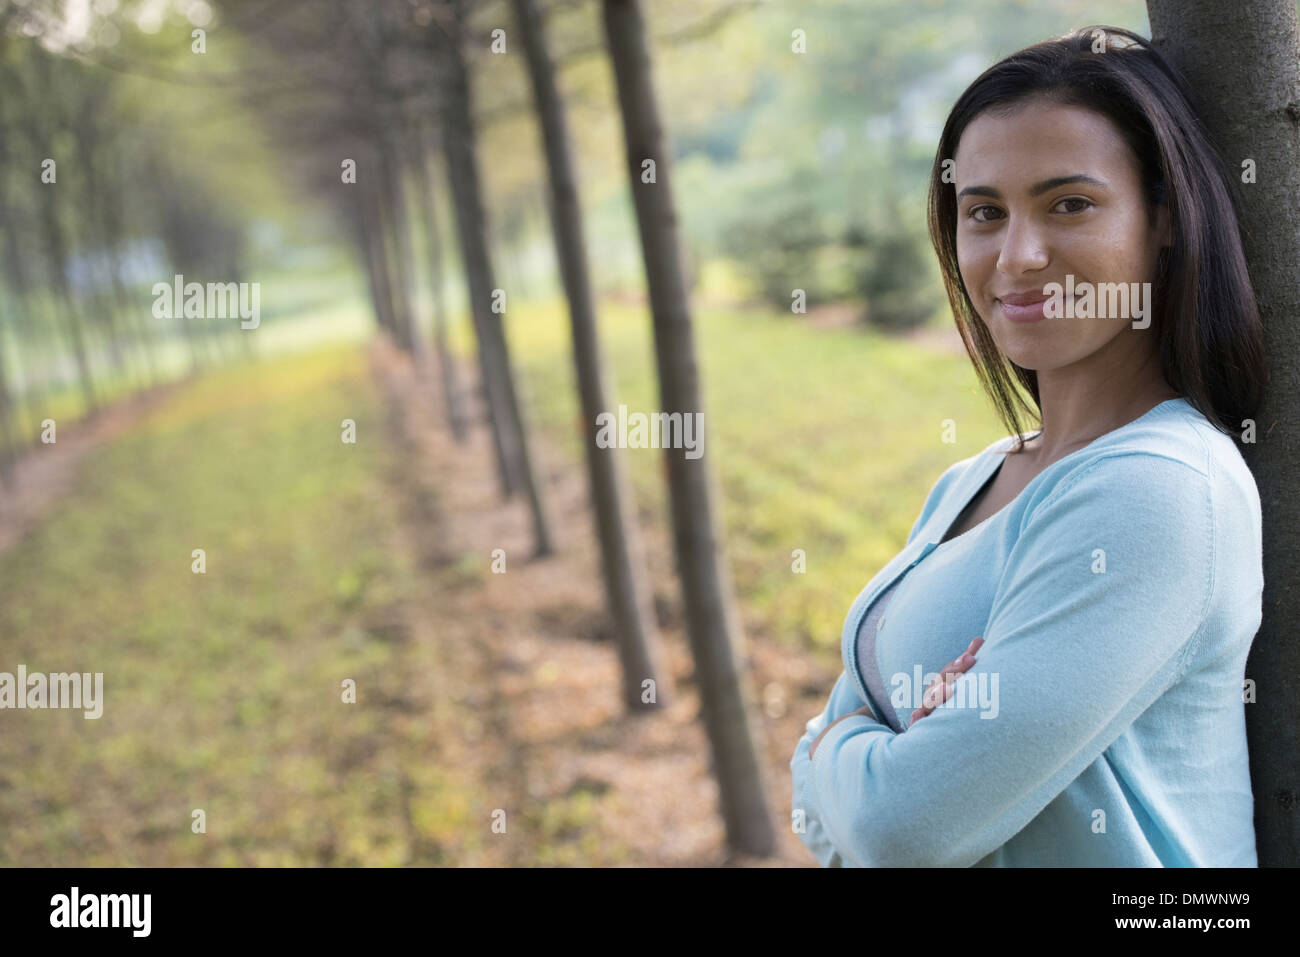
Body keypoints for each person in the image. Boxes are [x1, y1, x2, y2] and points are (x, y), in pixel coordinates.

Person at [790, 25, 1266, 867]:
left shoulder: (1158, 489)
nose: (1019, 256)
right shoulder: (974, 479)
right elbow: (850, 803)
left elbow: (901, 828)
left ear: (1163, 217)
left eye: (1069, 204)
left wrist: (843, 747)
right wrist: (878, 751)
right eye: (984, 212)